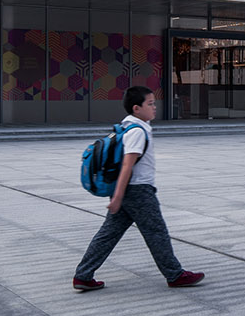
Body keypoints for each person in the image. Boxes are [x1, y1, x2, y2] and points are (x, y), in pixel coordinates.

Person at [72, 86, 205, 292]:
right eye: (150, 104)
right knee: (156, 232)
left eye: (154, 103)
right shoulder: (136, 132)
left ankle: (83, 275)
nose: (154, 107)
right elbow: (128, 165)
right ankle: (175, 275)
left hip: (128, 191)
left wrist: (119, 195)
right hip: (138, 191)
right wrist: (117, 196)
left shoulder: (127, 127)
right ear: (136, 108)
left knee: (108, 234)